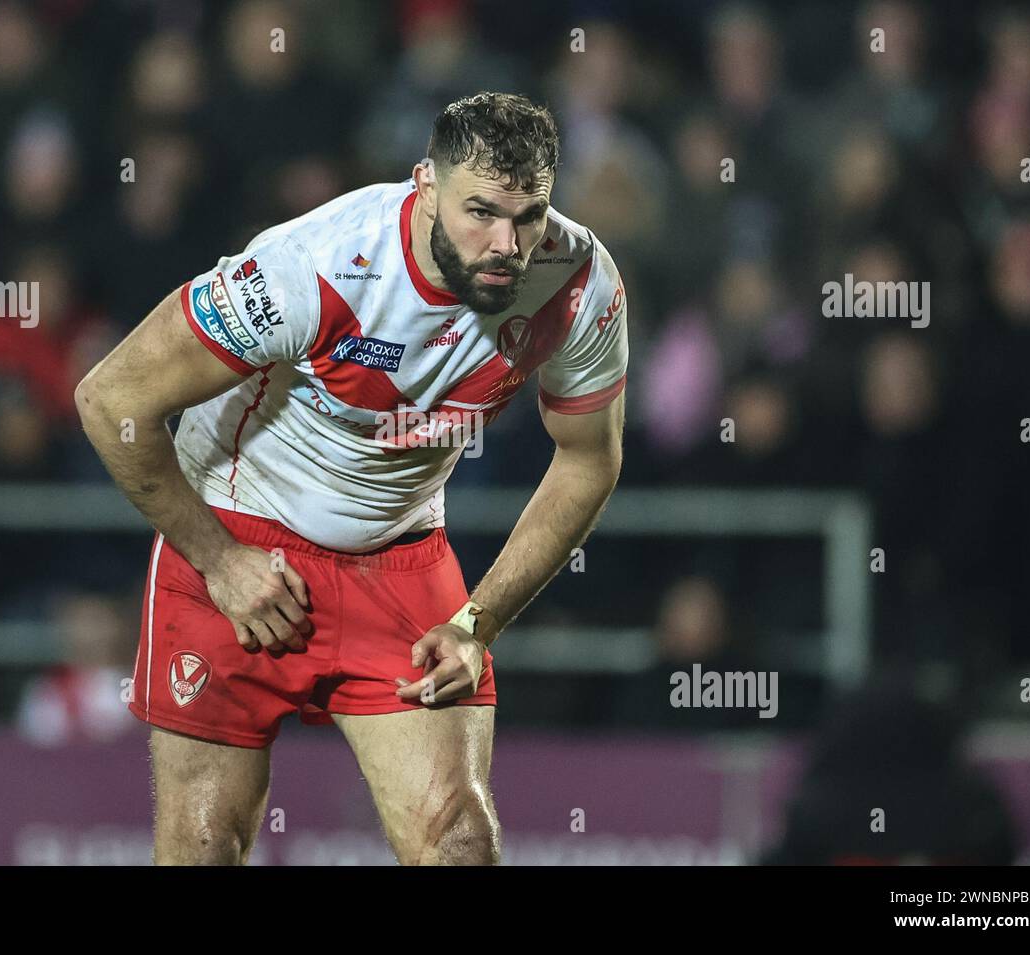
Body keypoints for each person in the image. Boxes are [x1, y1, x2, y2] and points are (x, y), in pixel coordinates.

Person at [76, 92, 628, 865]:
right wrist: (219, 560)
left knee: (462, 844)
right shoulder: (314, 266)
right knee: (206, 847)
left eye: (528, 214)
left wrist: (479, 623)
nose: (507, 243)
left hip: (401, 551)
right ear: (424, 187)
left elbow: (588, 458)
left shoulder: (578, 283)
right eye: (481, 211)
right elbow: (111, 399)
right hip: (242, 540)